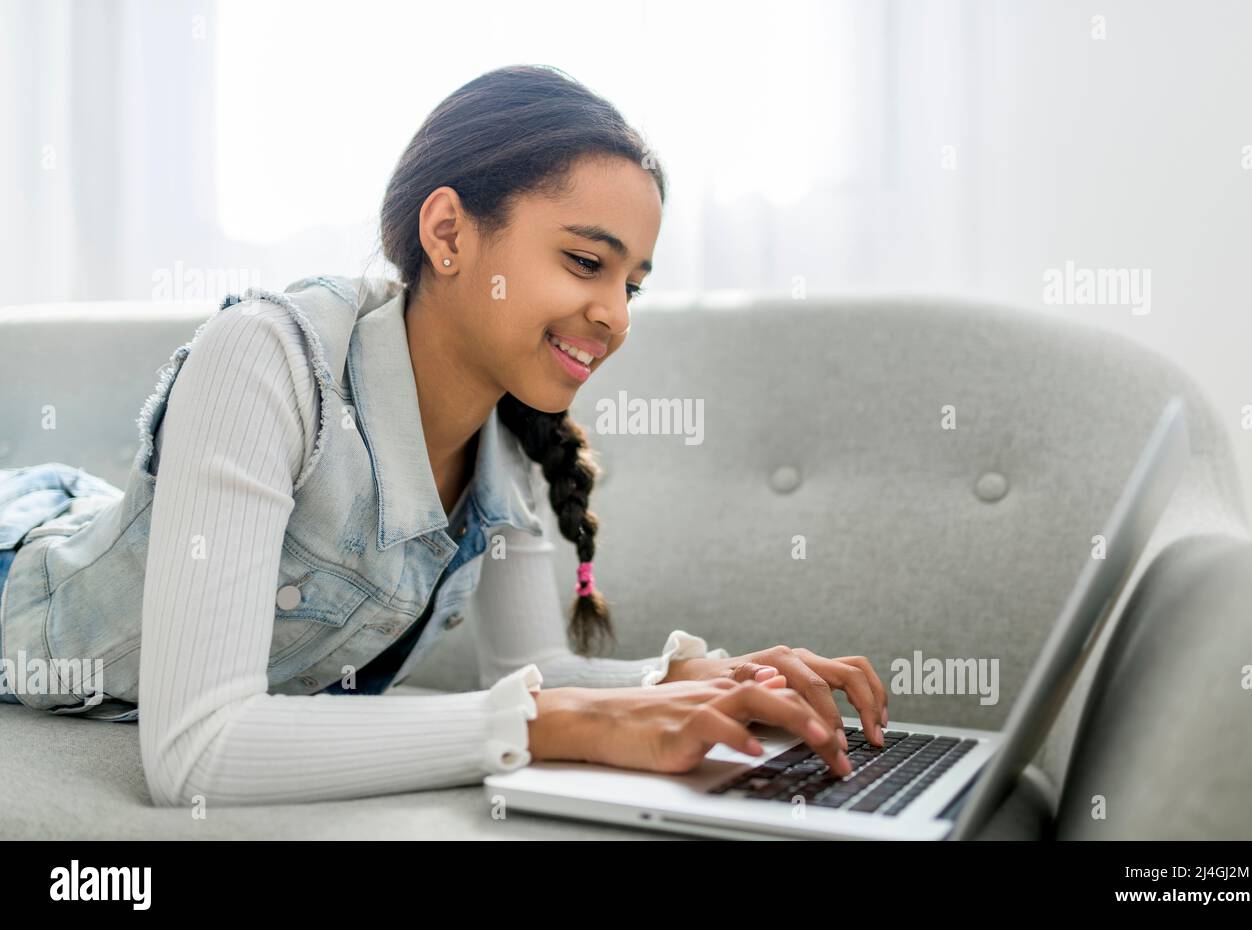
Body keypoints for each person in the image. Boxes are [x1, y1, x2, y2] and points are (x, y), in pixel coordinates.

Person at [0, 65, 887, 808]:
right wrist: (554, 727)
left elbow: (532, 665)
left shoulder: (507, 436)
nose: (614, 317)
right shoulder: (268, 357)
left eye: (634, 285)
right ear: (449, 232)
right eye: (586, 262)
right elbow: (196, 749)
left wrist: (705, 683)